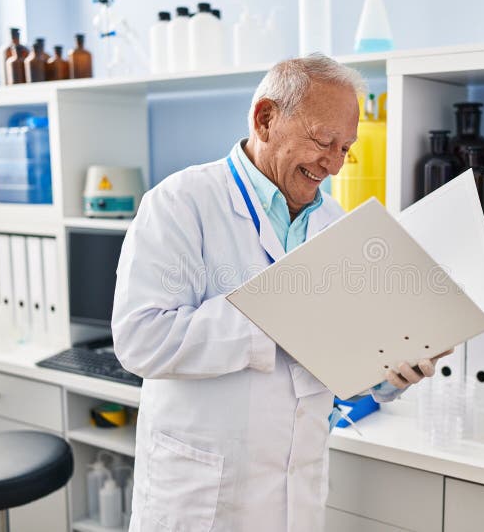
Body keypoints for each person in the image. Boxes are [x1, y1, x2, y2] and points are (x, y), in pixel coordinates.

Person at [112, 54, 450, 532]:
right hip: (201, 497)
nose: (333, 164)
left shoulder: (337, 225)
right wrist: (280, 313)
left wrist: (389, 372)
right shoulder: (180, 203)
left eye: (346, 148)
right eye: (323, 141)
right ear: (265, 118)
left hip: (296, 494)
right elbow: (140, 340)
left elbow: (340, 361)